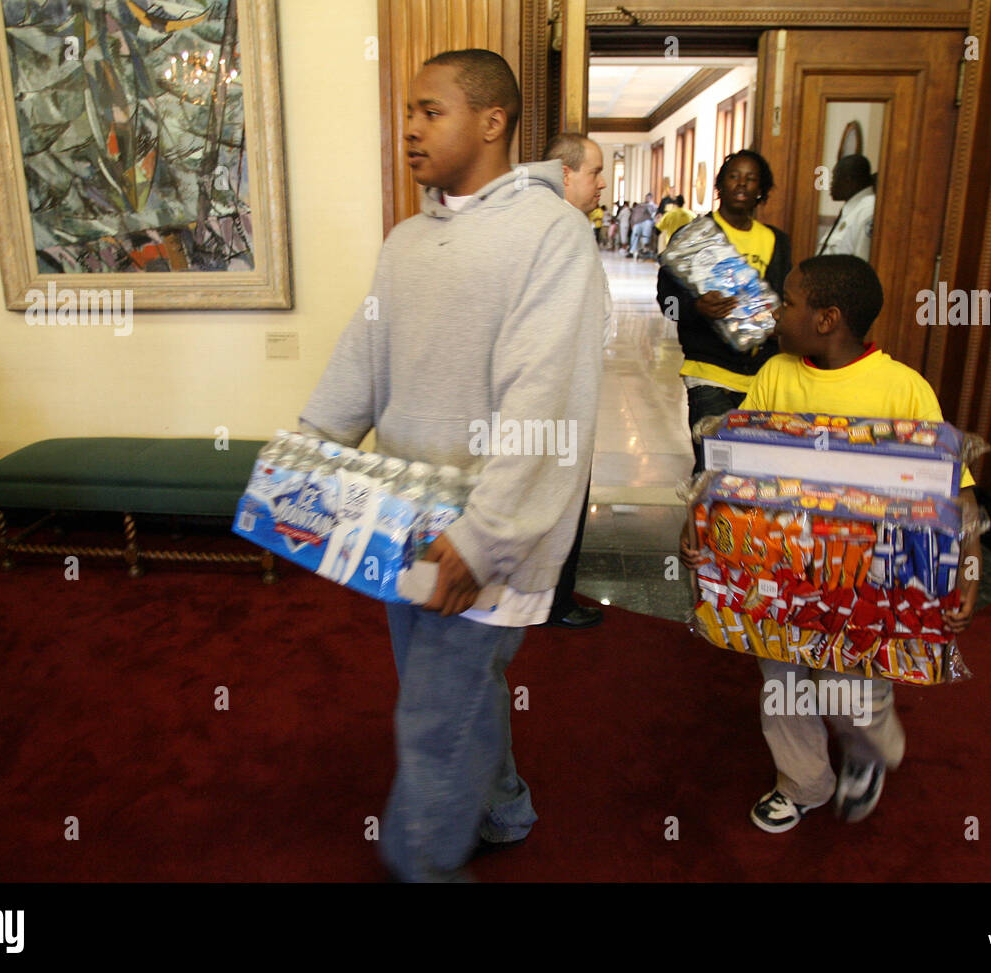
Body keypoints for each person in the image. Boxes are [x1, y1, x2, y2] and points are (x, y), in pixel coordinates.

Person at [298, 49, 604, 881]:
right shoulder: (406, 240)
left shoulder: (552, 235)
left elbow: (547, 401)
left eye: (431, 111)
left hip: (488, 531)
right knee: (446, 688)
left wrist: (487, 536)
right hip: (400, 519)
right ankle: (504, 806)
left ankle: (422, 864)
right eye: (409, 110)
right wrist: (301, 462)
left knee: (434, 713)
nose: (410, 128)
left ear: (492, 121)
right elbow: (360, 361)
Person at [680, 254, 981, 833]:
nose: (776, 309)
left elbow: (954, 497)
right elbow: (731, 469)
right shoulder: (775, 375)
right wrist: (698, 521)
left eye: (789, 301)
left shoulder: (904, 390)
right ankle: (803, 780)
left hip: (867, 583)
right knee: (782, 683)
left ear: (827, 318)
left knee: (851, 692)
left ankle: (870, 753)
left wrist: (966, 571)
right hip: (779, 570)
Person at [657, 149, 792, 474]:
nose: (742, 184)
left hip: (763, 376)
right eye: (734, 176)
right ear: (720, 185)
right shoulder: (692, 236)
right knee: (714, 466)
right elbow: (666, 302)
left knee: (753, 471)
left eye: (751, 178)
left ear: (762, 189)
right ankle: (699, 523)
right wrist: (697, 307)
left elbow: (786, 298)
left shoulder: (777, 241)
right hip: (709, 372)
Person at [541, 131, 612, 628]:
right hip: (560, 392)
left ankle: (546, 597)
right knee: (562, 495)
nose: (602, 184)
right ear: (566, 175)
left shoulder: (562, 224)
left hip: (564, 387)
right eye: (595, 172)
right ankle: (554, 601)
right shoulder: (562, 228)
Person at [816, 154, 875, 260]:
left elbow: (862, 263)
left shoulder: (868, 211)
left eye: (834, 178)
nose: (831, 185)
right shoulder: (852, 210)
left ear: (848, 181)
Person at [628, 193, 655, 259]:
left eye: (648, 198)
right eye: (646, 197)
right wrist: (632, 223)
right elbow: (634, 214)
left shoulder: (653, 206)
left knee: (647, 230)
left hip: (647, 221)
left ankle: (645, 248)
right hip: (638, 223)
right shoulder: (640, 205)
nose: (647, 199)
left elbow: (653, 215)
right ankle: (632, 250)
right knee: (635, 233)